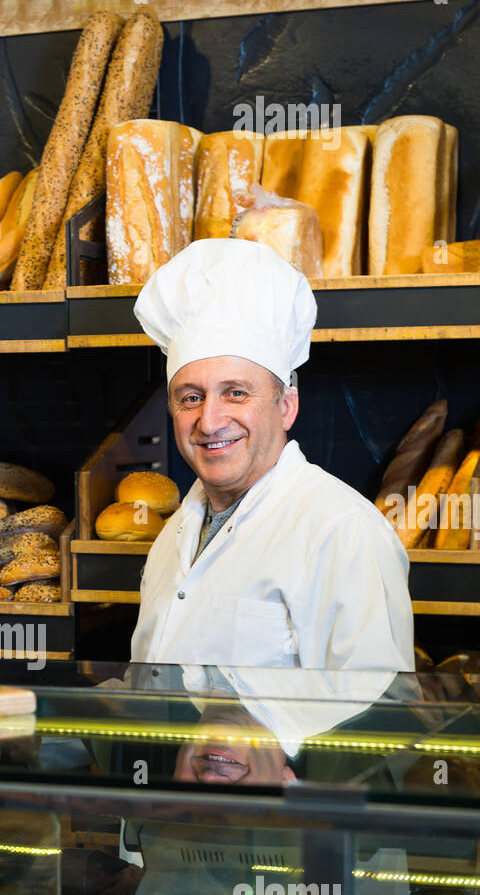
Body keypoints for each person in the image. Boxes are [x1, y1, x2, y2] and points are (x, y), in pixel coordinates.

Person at [129, 238, 414, 673]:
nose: (209, 421)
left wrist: (264, 738)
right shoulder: (174, 535)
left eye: (236, 393)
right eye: (190, 398)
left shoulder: (344, 532)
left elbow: (375, 719)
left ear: (286, 408)